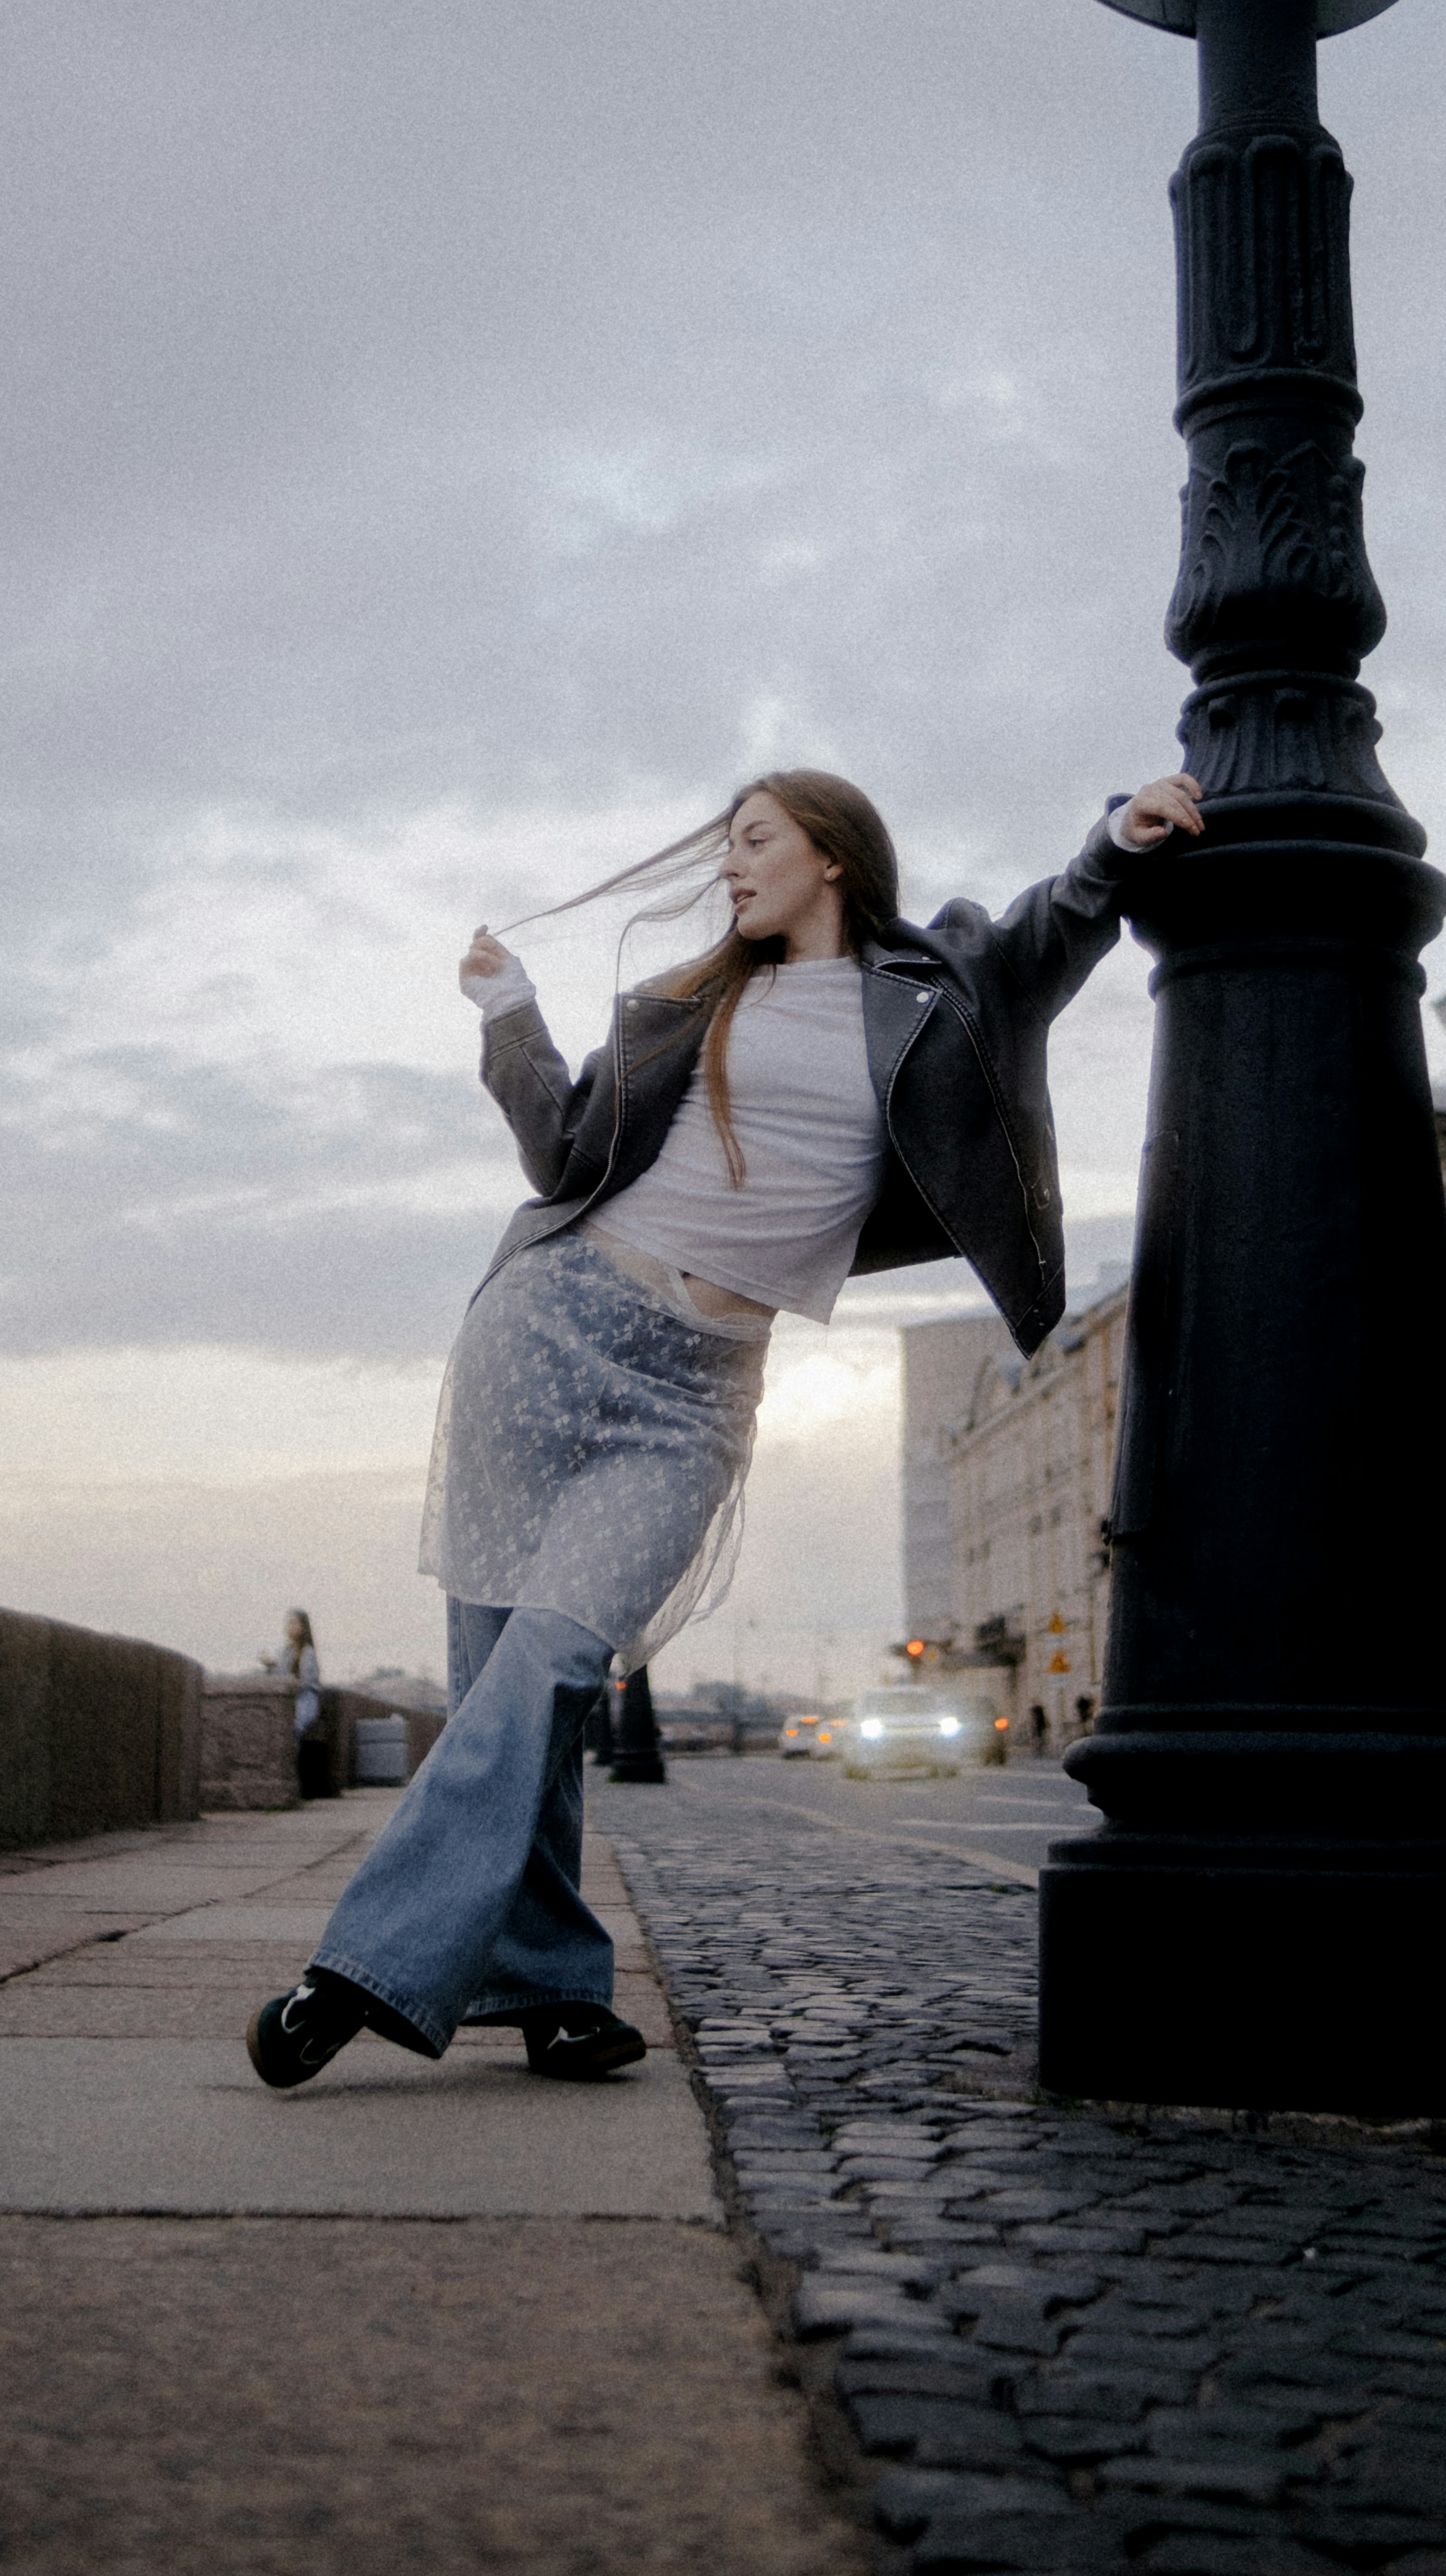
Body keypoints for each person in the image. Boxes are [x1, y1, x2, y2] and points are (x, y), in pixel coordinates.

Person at [247, 761, 1202, 2093]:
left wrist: (1118, 840)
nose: (733, 866)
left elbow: (1056, 929)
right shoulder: (685, 1003)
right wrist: (509, 1014)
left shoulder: (933, 988)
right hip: (551, 1326)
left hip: (696, 1388)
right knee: (500, 1669)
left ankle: (372, 1960)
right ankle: (551, 1987)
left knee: (558, 1659)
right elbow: (563, 1151)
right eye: (728, 848)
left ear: (831, 854)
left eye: (755, 840)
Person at [264, 1607, 333, 1802]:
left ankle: (289, 1775)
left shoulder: (308, 1652)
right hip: (289, 1699)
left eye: (294, 1623)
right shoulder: (285, 1651)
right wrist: (271, 1668)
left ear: (304, 1628)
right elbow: (279, 1679)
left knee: (295, 1726)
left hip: (306, 1698)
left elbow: (307, 1682)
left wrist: (289, 1683)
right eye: (288, 1623)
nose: (290, 1627)